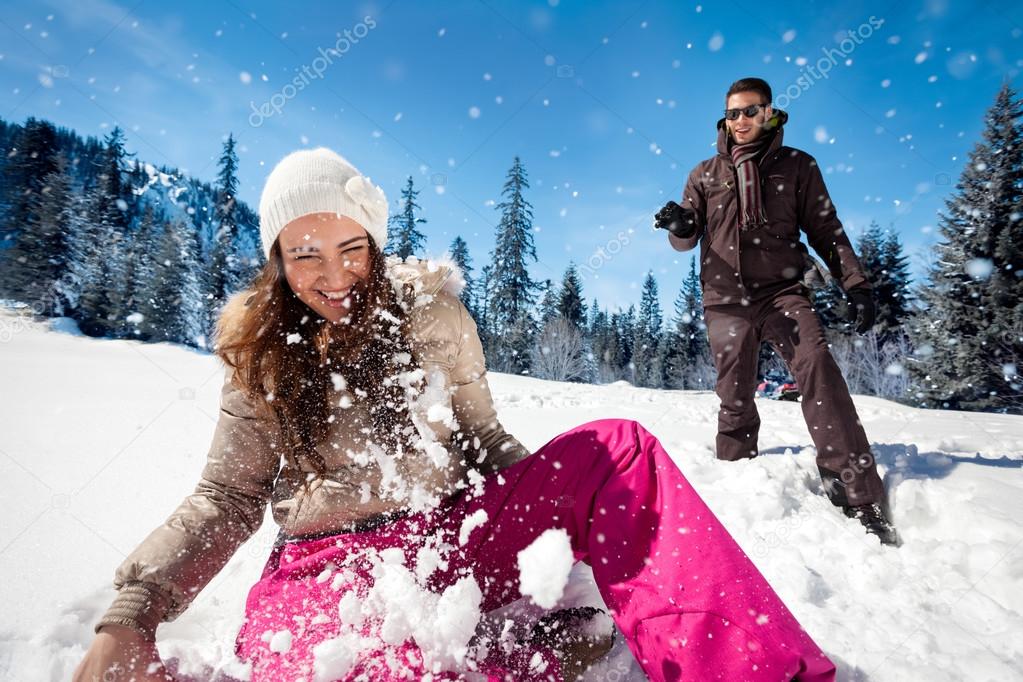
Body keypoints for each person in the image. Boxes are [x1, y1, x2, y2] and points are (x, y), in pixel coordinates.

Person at [75, 147, 837, 682]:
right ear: (277, 257)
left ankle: (749, 671)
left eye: (350, 248)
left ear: (374, 243)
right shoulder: (262, 351)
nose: (334, 276)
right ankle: (520, 655)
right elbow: (227, 496)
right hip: (323, 567)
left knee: (618, 451)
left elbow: (483, 440)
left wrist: (551, 528)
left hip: (447, 536)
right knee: (384, 668)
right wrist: (132, 614)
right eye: (305, 254)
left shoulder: (432, 320)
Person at [654, 77, 899, 546]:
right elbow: (685, 237)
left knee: (818, 367)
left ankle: (856, 492)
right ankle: (733, 479)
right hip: (725, 299)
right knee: (734, 395)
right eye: (733, 113)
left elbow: (826, 229)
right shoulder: (705, 173)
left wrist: (855, 284)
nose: (741, 120)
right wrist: (682, 226)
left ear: (769, 112)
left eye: (750, 111)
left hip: (783, 291)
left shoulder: (797, 165)